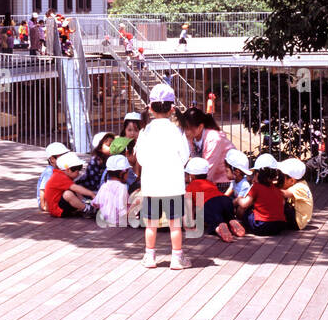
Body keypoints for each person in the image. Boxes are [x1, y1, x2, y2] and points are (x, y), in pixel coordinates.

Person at [134, 82, 191, 269]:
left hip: (151, 185)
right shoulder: (177, 131)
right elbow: (185, 156)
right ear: (172, 109)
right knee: (175, 224)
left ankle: (149, 257)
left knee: (151, 224)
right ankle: (177, 258)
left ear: (150, 108)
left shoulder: (144, 131)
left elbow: (140, 159)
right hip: (174, 184)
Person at [186, 156, 245, 242]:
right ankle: (231, 220)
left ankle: (218, 228)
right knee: (225, 215)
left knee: (214, 220)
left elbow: (189, 207)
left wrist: (190, 224)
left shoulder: (190, 186)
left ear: (192, 175)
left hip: (210, 203)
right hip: (225, 200)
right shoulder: (210, 183)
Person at [180, 108, 234, 189]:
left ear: (200, 127)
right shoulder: (192, 137)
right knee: (192, 194)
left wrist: (191, 186)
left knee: (196, 196)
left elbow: (207, 171)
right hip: (207, 180)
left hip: (224, 182)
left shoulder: (214, 139)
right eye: (184, 128)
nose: (186, 132)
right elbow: (196, 164)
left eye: (188, 128)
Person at [238, 162, 292, 236]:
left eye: (254, 175)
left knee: (246, 212)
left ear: (257, 174)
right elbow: (282, 203)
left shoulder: (256, 187)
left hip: (263, 226)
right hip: (279, 227)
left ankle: (241, 224)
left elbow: (244, 204)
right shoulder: (276, 189)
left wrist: (239, 198)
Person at [42, 152, 95, 218]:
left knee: (73, 189)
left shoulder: (61, 174)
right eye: (77, 170)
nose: (78, 173)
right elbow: (76, 188)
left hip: (60, 205)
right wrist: (91, 194)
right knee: (68, 193)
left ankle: (85, 204)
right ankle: (86, 209)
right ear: (68, 170)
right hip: (58, 210)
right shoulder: (60, 177)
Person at [94, 154, 132, 227]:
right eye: (128, 172)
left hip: (106, 218)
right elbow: (122, 209)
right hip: (119, 221)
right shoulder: (122, 187)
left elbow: (96, 202)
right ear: (122, 173)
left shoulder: (104, 185)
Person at [278, 158, 314, 230]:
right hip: (299, 219)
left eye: (282, 177)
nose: (279, 179)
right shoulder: (302, 183)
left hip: (297, 221)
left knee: (280, 199)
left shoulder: (299, 187)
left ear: (292, 180)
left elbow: (284, 193)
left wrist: (270, 187)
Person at [36, 142, 69, 209]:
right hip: (47, 201)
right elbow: (42, 189)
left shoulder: (61, 168)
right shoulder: (49, 172)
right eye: (61, 157)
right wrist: (43, 206)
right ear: (52, 159)